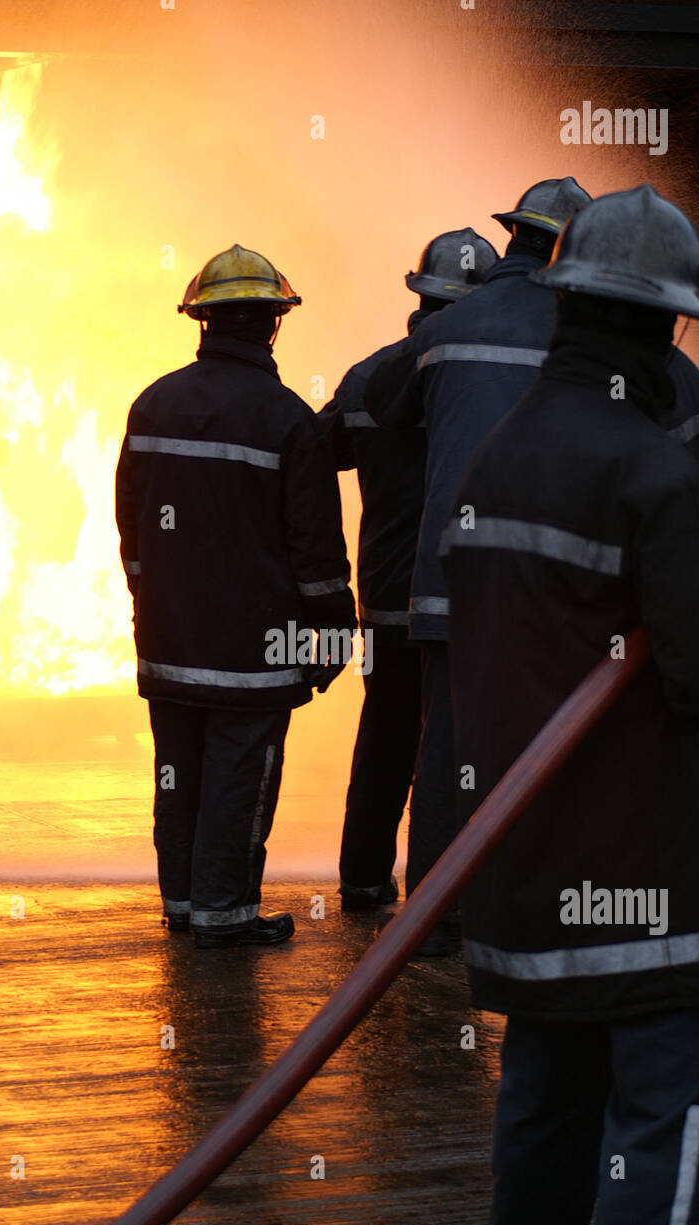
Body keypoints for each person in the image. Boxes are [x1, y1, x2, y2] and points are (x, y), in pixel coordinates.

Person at [441, 185, 699, 1225]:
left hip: (533, 892)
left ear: (565, 306)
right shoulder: (648, 471)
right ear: (662, 327)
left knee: (545, 1142)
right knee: (665, 1150)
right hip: (660, 903)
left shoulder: (496, 462)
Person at [365, 178, 592, 952]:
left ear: (516, 239)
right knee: (545, 750)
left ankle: (429, 923)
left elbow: (382, 417)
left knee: (444, 754)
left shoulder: (442, 330)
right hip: (537, 588)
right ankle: (526, 913)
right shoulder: (578, 336)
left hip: (443, 581)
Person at [116, 244, 356, 949]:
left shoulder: (152, 403)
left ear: (202, 321)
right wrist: (333, 636)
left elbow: (130, 528)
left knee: (177, 775)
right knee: (238, 779)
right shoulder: (288, 420)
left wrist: (149, 600)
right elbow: (315, 550)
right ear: (272, 324)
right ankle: (226, 917)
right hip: (254, 652)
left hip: (168, 642)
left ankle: (186, 905)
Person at [319, 229, 498, 949]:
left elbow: (322, 452)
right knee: (448, 744)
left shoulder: (370, 376)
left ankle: (364, 881)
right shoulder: (479, 374)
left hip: (387, 596)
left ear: (418, 297)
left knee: (386, 737)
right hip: (453, 597)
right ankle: (445, 894)